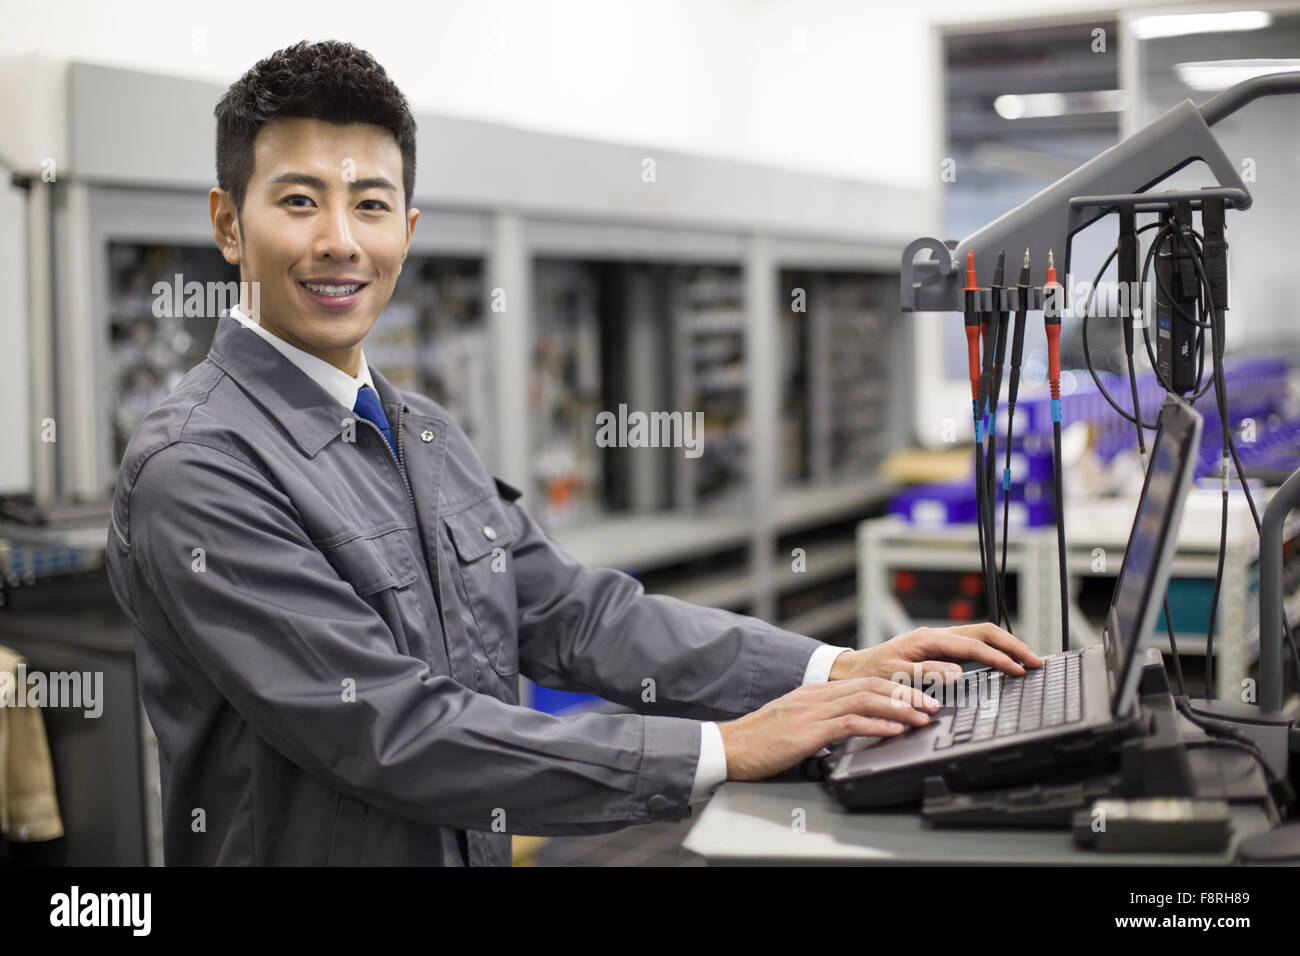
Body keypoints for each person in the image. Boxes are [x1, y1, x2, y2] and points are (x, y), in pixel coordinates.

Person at [105, 40, 1041, 866]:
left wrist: (826, 671)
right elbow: (390, 731)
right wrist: (720, 751)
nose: (340, 241)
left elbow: (575, 616)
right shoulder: (200, 470)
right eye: (300, 201)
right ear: (229, 224)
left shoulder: (420, 430)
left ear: (409, 231)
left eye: (371, 204)